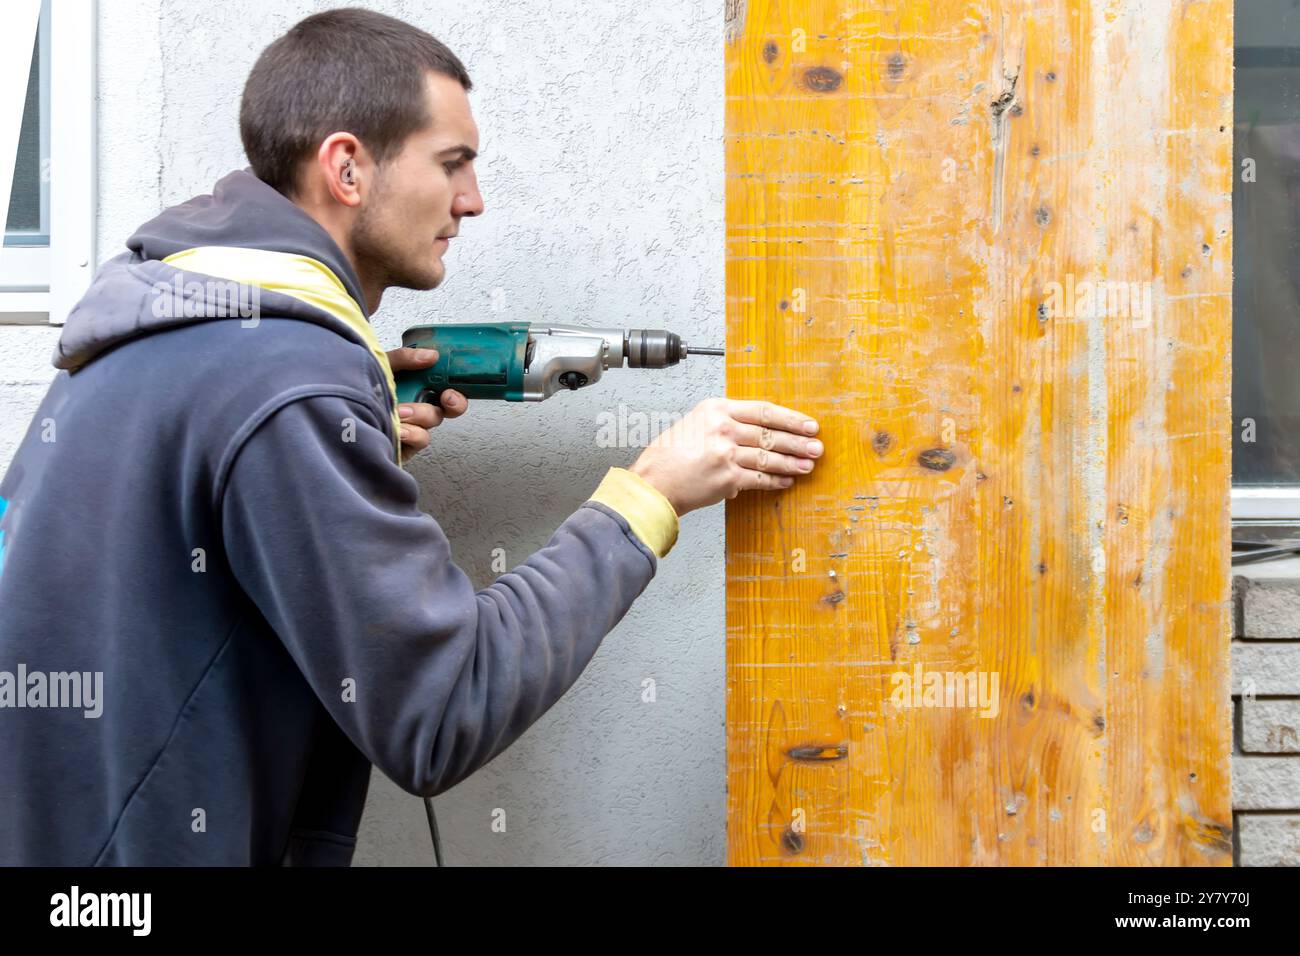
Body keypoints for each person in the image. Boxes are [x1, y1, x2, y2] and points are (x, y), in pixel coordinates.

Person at [0, 7, 822, 865]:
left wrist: (333, 446)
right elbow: (439, 713)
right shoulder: (289, 382)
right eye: (451, 164)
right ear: (347, 169)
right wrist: (648, 496)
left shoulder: (173, 323)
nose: (472, 200)